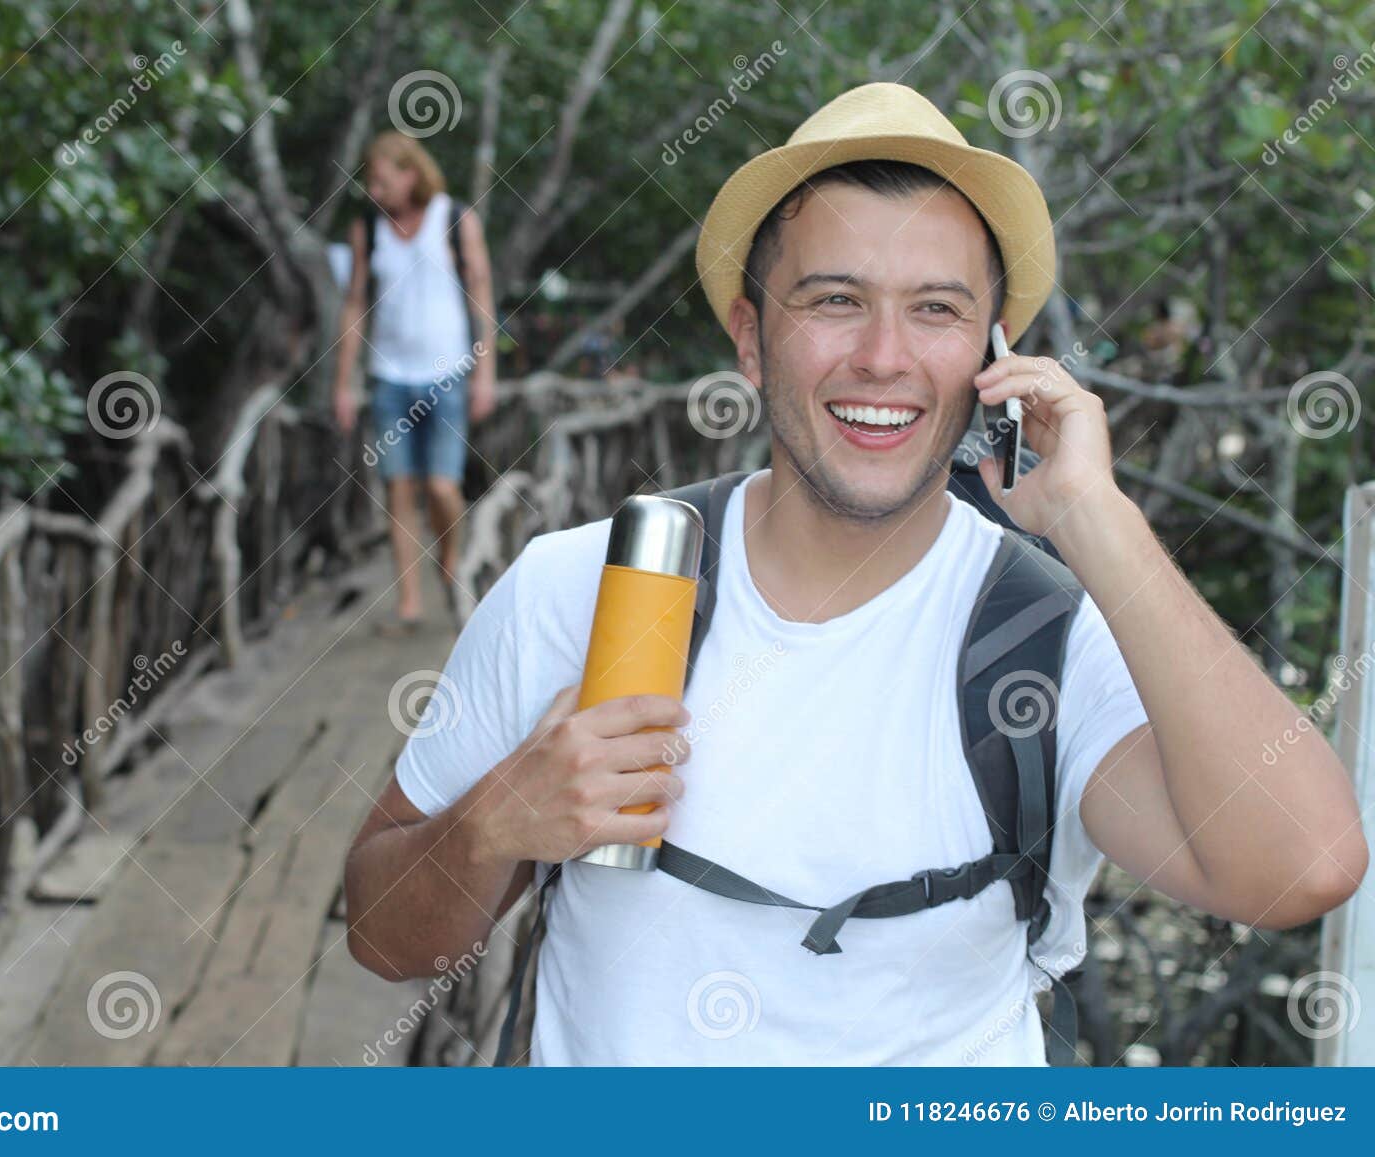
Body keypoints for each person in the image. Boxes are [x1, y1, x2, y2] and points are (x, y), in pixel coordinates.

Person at [342, 83, 1367, 1064]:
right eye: (834, 299)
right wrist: (494, 824)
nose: (883, 356)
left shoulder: (1040, 639)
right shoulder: (581, 586)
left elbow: (1301, 865)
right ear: (750, 340)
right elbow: (386, 940)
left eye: (935, 310)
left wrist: (1096, 518)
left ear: (992, 353)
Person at [332, 131, 496, 634]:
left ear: (410, 173)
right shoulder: (369, 227)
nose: (374, 190)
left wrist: (486, 372)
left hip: (447, 373)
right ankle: (409, 603)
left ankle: (448, 554)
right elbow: (356, 304)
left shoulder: (454, 219)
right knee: (398, 490)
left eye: (382, 180)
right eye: (369, 181)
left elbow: (481, 297)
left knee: (442, 487)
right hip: (389, 377)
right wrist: (344, 382)